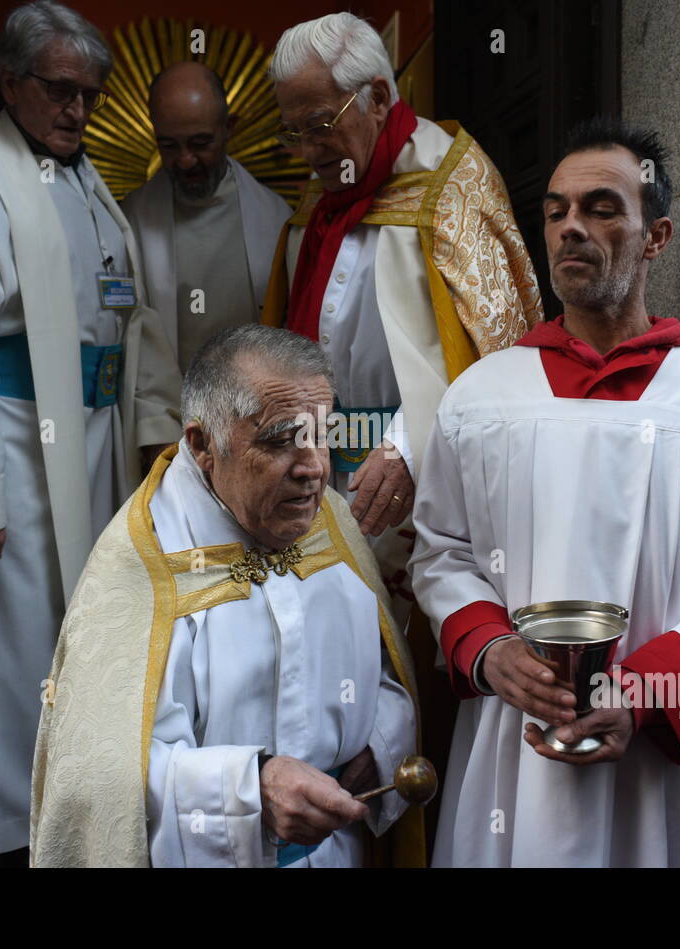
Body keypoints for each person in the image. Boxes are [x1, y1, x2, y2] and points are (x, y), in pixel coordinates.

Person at [409, 117, 680, 867]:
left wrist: (641, 693)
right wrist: (490, 647)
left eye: (602, 208)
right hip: (520, 757)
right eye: (555, 211)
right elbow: (442, 551)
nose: (571, 227)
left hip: (675, 775)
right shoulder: (481, 399)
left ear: (656, 236)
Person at [0, 0, 181, 863]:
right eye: (60, 91)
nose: (77, 111)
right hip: (18, 455)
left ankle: (83, 810)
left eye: (91, 96)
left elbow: (128, 319)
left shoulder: (89, 185)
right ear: (11, 82)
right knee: (12, 652)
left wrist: (146, 433)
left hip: (93, 449)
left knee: (88, 636)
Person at [30, 325, 424, 867]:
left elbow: (387, 678)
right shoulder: (145, 566)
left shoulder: (333, 527)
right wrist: (250, 790)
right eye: (281, 439)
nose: (313, 468)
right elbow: (104, 777)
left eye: (321, 433)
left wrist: (380, 746)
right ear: (202, 445)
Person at [262, 12, 542, 606]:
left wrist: (409, 447)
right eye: (292, 133)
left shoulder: (452, 183)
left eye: (319, 126)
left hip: (416, 473)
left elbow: (499, 349)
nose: (308, 152)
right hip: (319, 470)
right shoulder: (327, 186)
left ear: (380, 96)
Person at [121, 62, 292, 375]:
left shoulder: (278, 220)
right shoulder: (130, 221)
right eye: (169, 145)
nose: (185, 160)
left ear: (229, 127)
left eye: (200, 143)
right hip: (164, 409)